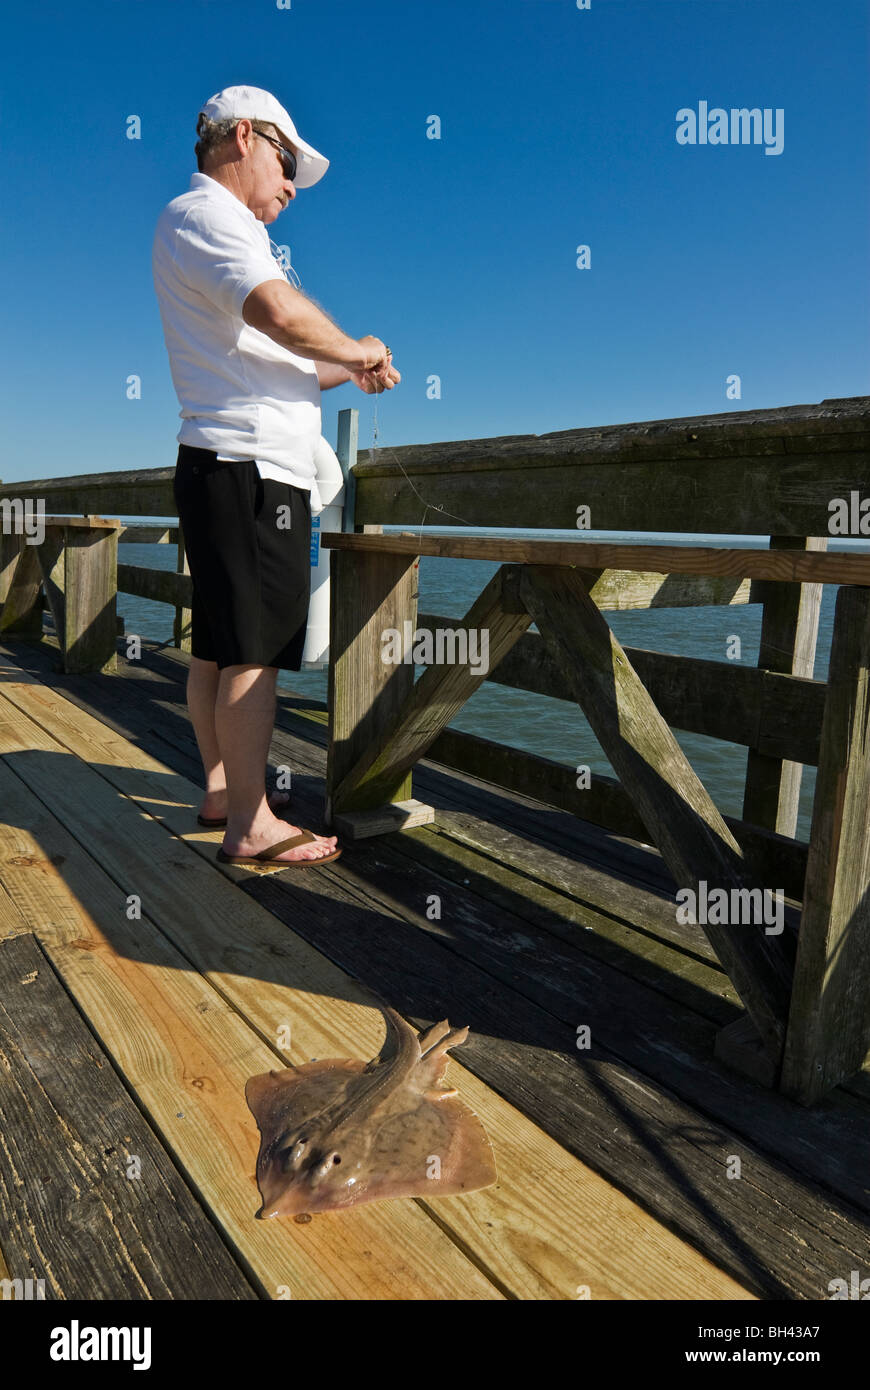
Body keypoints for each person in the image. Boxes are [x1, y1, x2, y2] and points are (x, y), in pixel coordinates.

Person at [152, 85, 400, 867]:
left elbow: (278, 355)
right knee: (253, 649)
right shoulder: (210, 218)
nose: (292, 185)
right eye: (288, 163)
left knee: (219, 646)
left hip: (223, 460)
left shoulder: (203, 228)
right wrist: (359, 348)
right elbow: (280, 314)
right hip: (251, 468)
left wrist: (340, 368)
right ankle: (252, 825)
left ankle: (227, 790)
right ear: (246, 138)